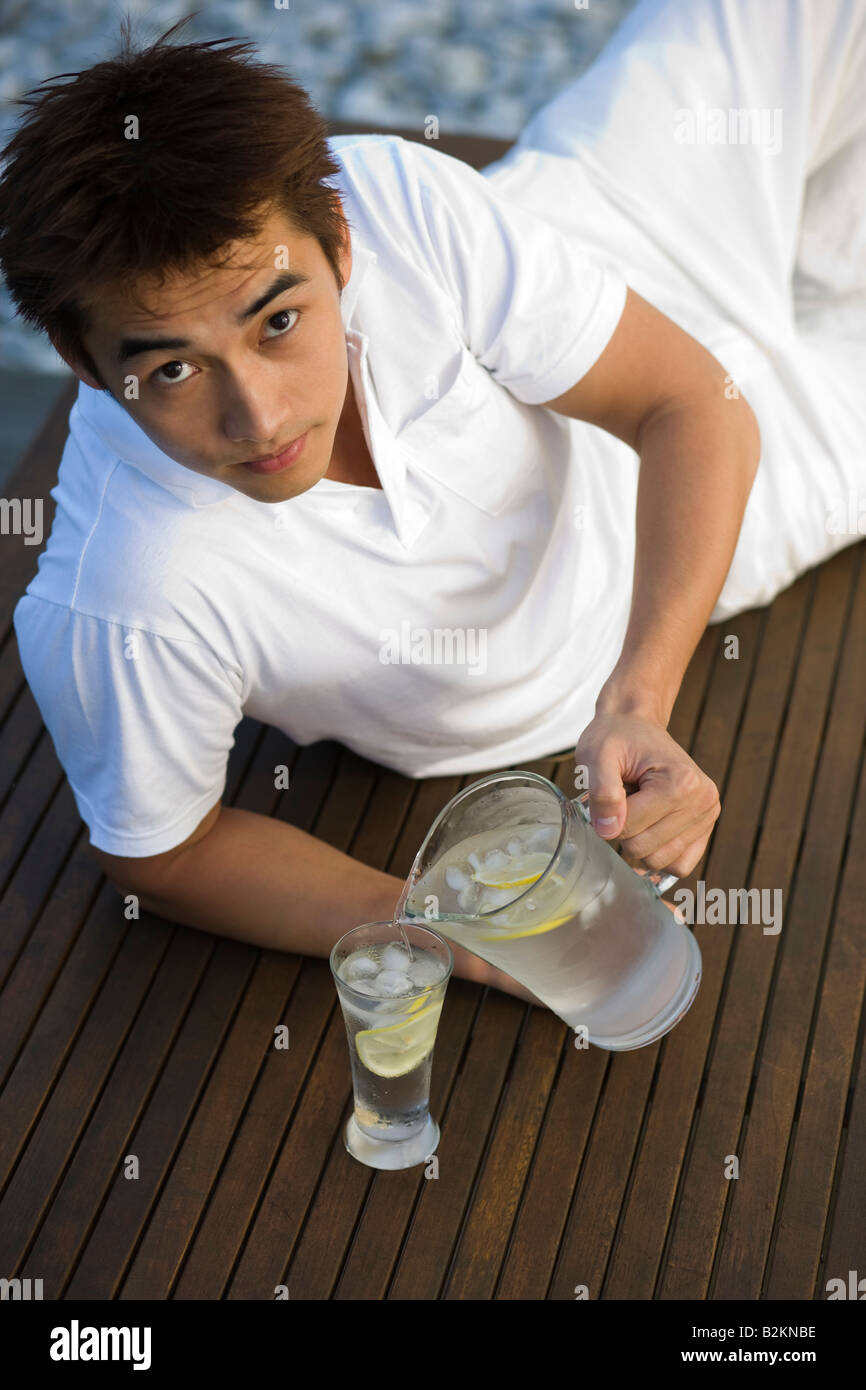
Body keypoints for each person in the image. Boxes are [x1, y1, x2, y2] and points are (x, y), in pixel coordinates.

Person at [1, 2, 862, 1005]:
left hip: (608, 231)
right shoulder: (121, 597)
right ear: (81, 362)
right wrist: (452, 934)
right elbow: (165, 850)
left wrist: (640, 704)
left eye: (278, 320)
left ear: (338, 243)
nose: (259, 415)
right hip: (732, 508)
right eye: (177, 369)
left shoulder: (396, 202)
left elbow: (676, 396)